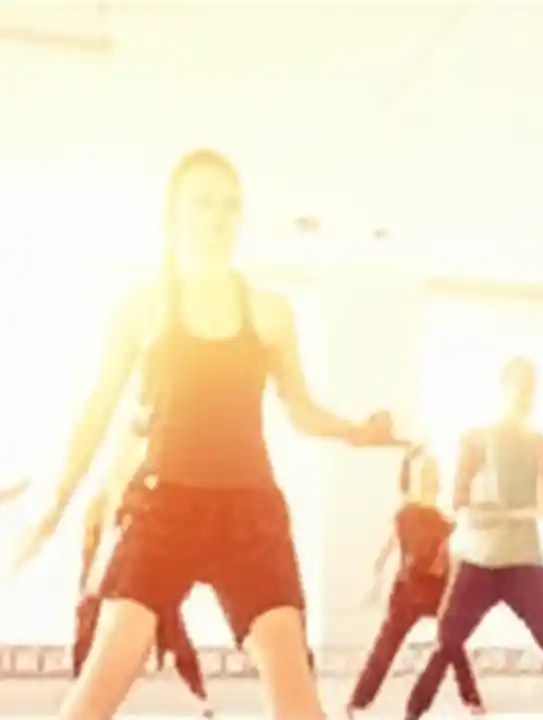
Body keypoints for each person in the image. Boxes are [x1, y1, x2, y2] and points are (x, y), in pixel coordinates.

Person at [13, 148, 397, 720]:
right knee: (92, 698)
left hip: (251, 516)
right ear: (172, 216)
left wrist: (357, 432)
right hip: (163, 508)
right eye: (202, 204)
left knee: (300, 707)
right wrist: (55, 505)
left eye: (229, 206)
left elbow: (298, 408)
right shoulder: (141, 306)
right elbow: (98, 409)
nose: (218, 219)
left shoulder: (270, 312)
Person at [405, 358, 543, 720]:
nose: (525, 396)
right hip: (479, 563)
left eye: (531, 389)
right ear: (502, 388)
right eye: (519, 387)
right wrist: (510, 513)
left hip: (525, 563)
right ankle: (411, 715)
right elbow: (459, 501)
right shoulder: (476, 439)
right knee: (446, 645)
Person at [74, 426, 213, 718]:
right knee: (153, 625)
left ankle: (198, 695)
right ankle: (197, 695)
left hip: (131, 566)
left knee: (164, 624)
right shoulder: (113, 498)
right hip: (119, 567)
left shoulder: (136, 482)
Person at [347, 443, 485, 717]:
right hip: (408, 591)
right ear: (413, 476)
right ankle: (359, 702)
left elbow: (454, 552)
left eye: (432, 471)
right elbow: (389, 546)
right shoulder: (406, 513)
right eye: (423, 472)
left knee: (453, 643)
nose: (429, 477)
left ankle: (472, 700)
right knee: (386, 646)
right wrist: (373, 581)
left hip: (438, 589)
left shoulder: (444, 516)